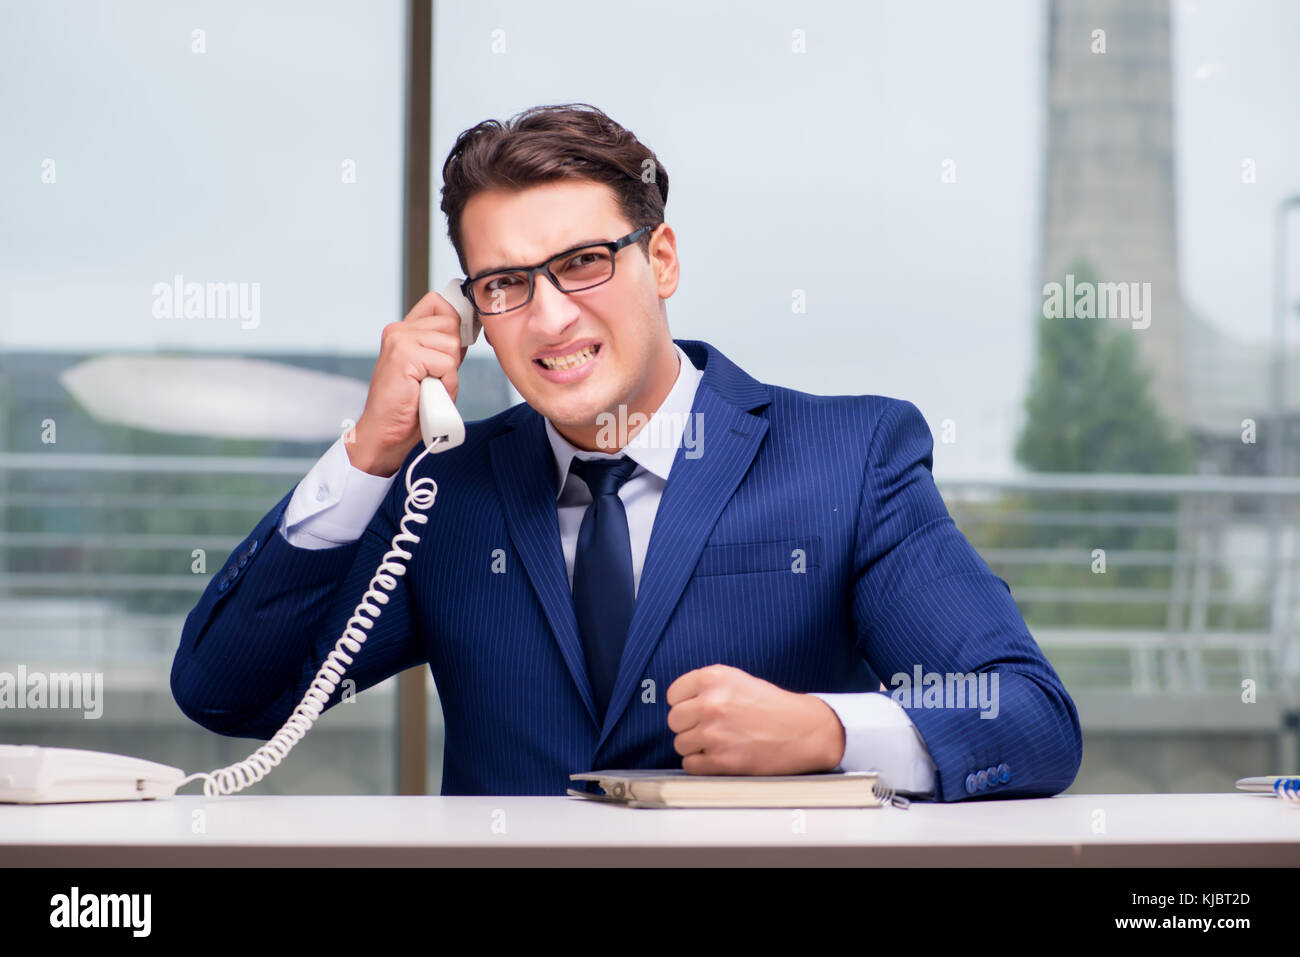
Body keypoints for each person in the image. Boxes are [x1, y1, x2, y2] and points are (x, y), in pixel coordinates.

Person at [171, 103, 1082, 800]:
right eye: (505, 284)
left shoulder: (849, 457)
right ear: (470, 312)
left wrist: (825, 731)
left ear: (665, 261)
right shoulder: (442, 493)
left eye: (584, 261)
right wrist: (370, 450)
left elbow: (1031, 718)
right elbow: (227, 693)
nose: (551, 314)